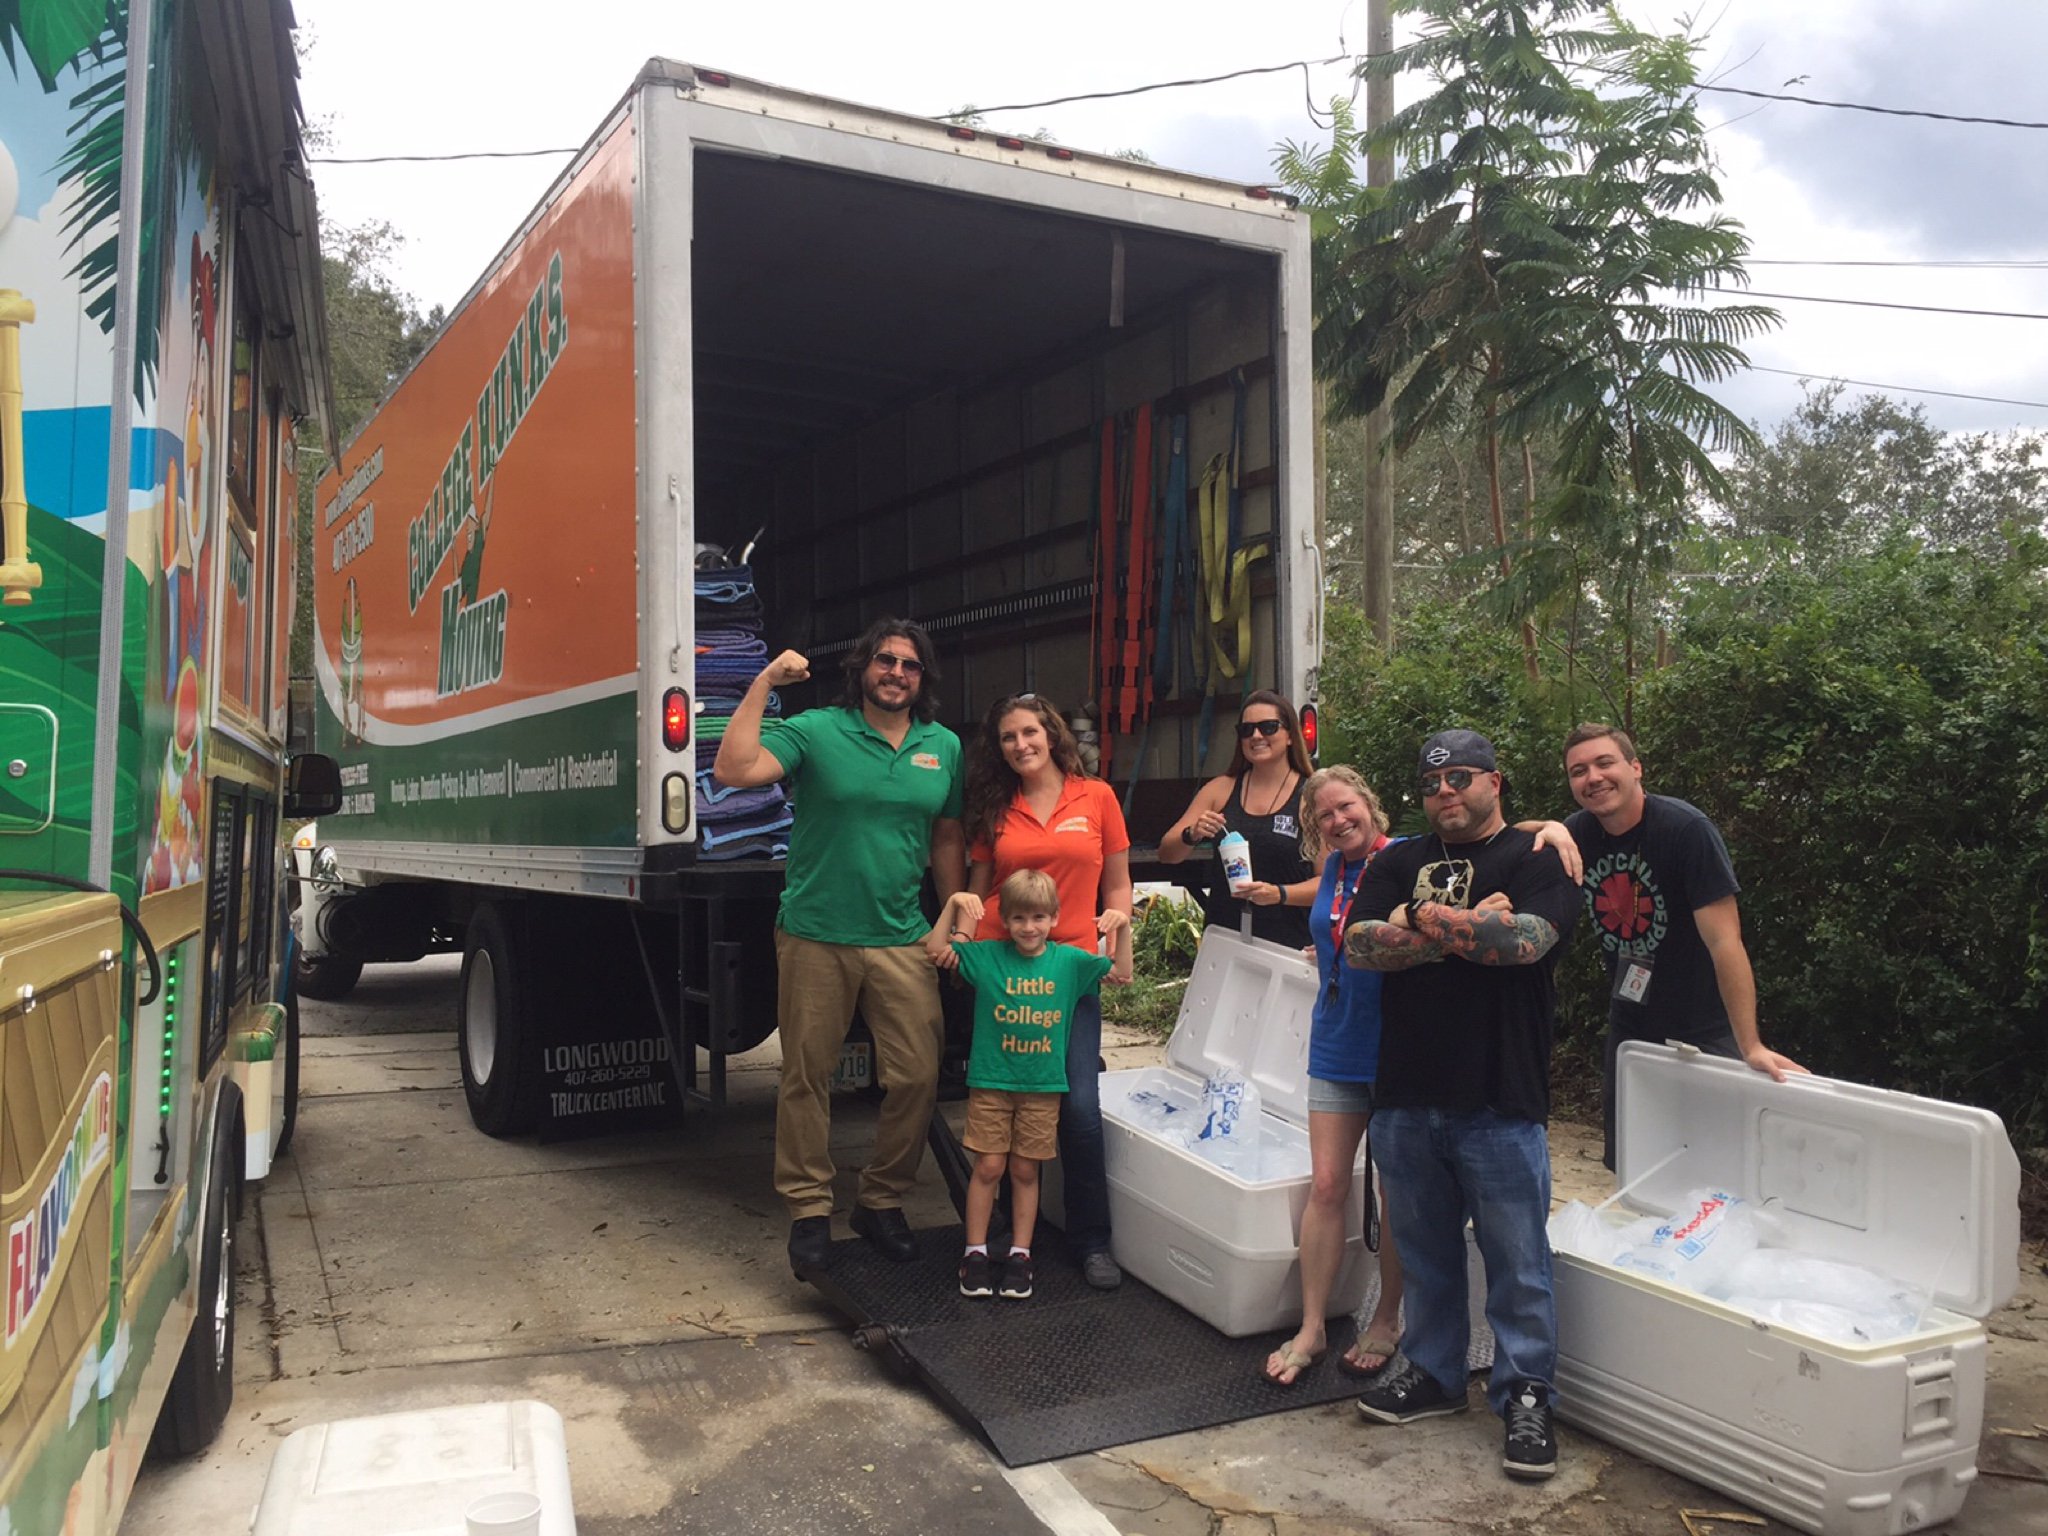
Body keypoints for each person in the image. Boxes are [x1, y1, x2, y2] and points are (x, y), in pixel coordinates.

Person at [1344, 729, 1581, 1483]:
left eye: (1462, 778)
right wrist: (1456, 925)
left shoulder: (1538, 855)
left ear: (1495, 782)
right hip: (1406, 1092)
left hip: (1500, 1095)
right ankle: (1437, 1376)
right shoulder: (1396, 860)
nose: (1446, 792)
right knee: (1426, 1254)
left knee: (1519, 1261)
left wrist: (1419, 922)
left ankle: (1526, 1396)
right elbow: (1359, 944)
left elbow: (1529, 942)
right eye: (1432, 783)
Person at [713, 618, 967, 1278]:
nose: (897, 673)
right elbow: (733, 767)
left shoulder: (943, 746)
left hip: (902, 937)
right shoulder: (818, 730)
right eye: (886, 661)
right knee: (808, 1076)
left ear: (923, 679)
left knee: (917, 1075)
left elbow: (945, 837)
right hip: (816, 934)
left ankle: (879, 1202)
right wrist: (764, 682)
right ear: (863, 668)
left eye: (910, 666)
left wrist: (952, 918)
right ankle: (808, 1212)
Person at [1560, 723, 1807, 1169]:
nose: (1592, 777)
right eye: (1579, 771)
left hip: (1703, 1029)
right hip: (1631, 1025)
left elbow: (1725, 942)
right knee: (1635, 1164)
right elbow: (1514, 839)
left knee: (1718, 1165)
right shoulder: (1576, 834)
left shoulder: (1686, 830)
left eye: (1604, 763)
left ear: (1636, 768)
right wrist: (1549, 829)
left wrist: (1749, 1044)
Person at [954, 694, 1134, 1289]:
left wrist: (1117, 928)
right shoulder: (995, 806)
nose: (1020, 745)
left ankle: (1091, 1241)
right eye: (1007, 738)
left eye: (1029, 732)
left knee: (1079, 1108)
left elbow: (1118, 883)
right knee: (1001, 1107)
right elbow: (979, 892)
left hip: (1074, 973)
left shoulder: (1098, 797)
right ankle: (1002, 1240)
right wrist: (961, 951)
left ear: (1051, 734)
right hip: (1007, 976)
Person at [1260, 765, 1407, 1387]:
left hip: (1400, 1048)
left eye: (1346, 807)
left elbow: (1501, 840)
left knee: (1393, 1193)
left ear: (1369, 804)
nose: (1339, 820)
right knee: (1325, 1186)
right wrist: (1325, 947)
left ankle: (1388, 1319)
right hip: (1336, 1042)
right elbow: (1341, 925)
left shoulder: (1404, 856)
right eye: (1324, 815)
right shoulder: (1333, 872)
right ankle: (1314, 1326)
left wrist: (1553, 833)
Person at [925, 870, 1130, 1301]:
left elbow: (1121, 973)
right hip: (991, 1084)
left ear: (1054, 918)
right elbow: (936, 949)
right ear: (1005, 919)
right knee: (988, 1168)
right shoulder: (987, 957)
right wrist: (954, 904)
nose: (1029, 927)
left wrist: (1123, 926)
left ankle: (1021, 1253)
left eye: (1038, 917)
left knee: (1023, 1169)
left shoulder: (1070, 963)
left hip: (1042, 1087)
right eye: (1019, 918)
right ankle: (975, 1252)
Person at [1157, 691, 1315, 948]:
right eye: (1246, 729)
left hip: (1288, 945)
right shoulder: (1220, 789)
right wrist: (1192, 834)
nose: (1256, 736)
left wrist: (1278, 894)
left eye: (1268, 727)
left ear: (1289, 735)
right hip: (1226, 939)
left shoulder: (1310, 796)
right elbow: (1167, 853)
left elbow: (1330, 882)